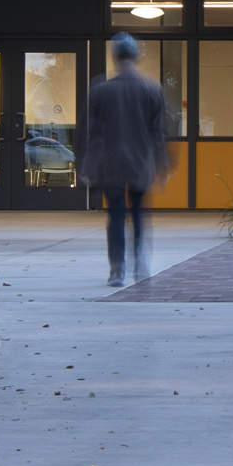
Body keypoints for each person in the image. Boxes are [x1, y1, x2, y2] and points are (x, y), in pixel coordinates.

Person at [82, 33, 172, 286]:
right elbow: (158, 132)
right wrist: (163, 166)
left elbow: (95, 134)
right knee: (139, 216)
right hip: (140, 165)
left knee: (116, 216)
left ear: (115, 58)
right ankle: (140, 266)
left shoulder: (101, 89)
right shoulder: (152, 88)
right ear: (135, 56)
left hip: (110, 165)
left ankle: (117, 270)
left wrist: (89, 167)